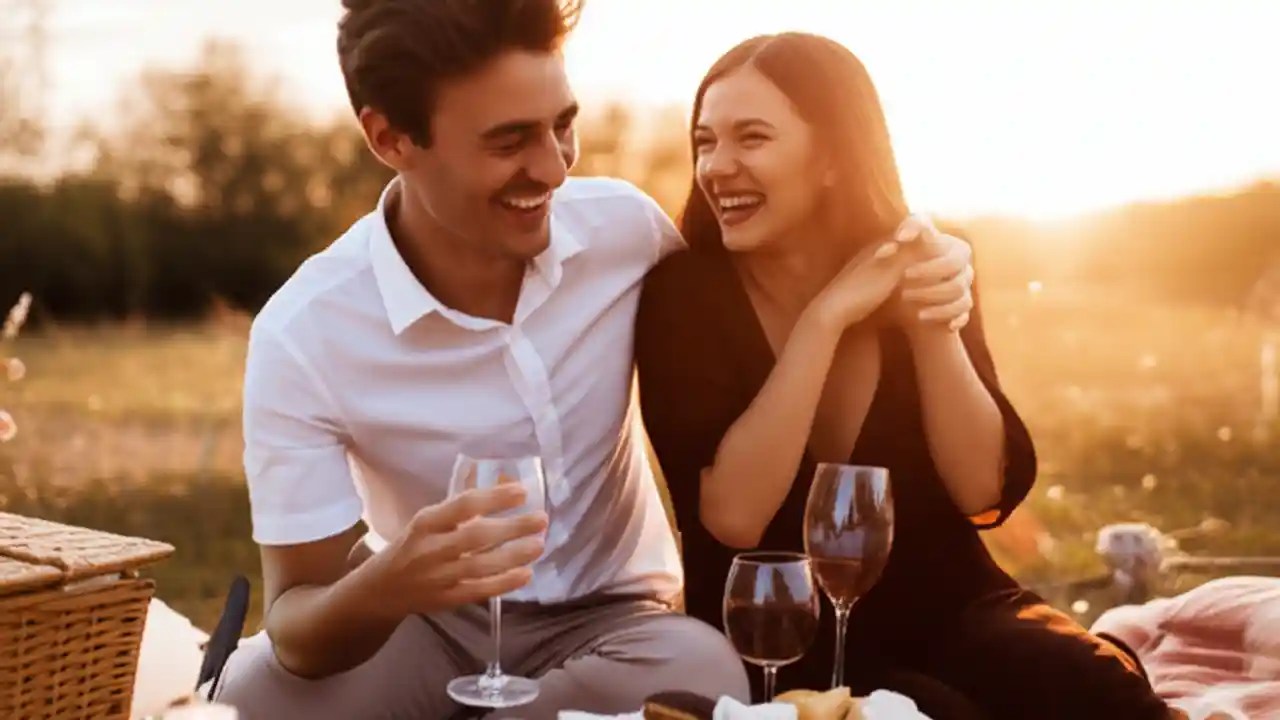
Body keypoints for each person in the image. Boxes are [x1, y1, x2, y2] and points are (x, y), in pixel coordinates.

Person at [212, 1, 749, 717]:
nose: (553, 168)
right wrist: (396, 578)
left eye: (564, 126)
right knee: (251, 702)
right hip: (426, 624)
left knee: (705, 670)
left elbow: (765, 296)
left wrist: (899, 264)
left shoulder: (627, 234)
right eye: (509, 142)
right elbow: (298, 629)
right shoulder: (306, 332)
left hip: (619, 626)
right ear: (391, 137)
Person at [635, 32, 1176, 720]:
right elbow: (735, 518)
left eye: (752, 138)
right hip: (781, 629)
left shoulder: (927, 260)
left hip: (950, 606)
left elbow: (981, 492)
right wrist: (826, 320)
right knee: (928, 710)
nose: (718, 166)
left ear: (832, 156)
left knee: (1086, 682)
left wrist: (932, 325)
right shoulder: (683, 294)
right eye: (706, 141)